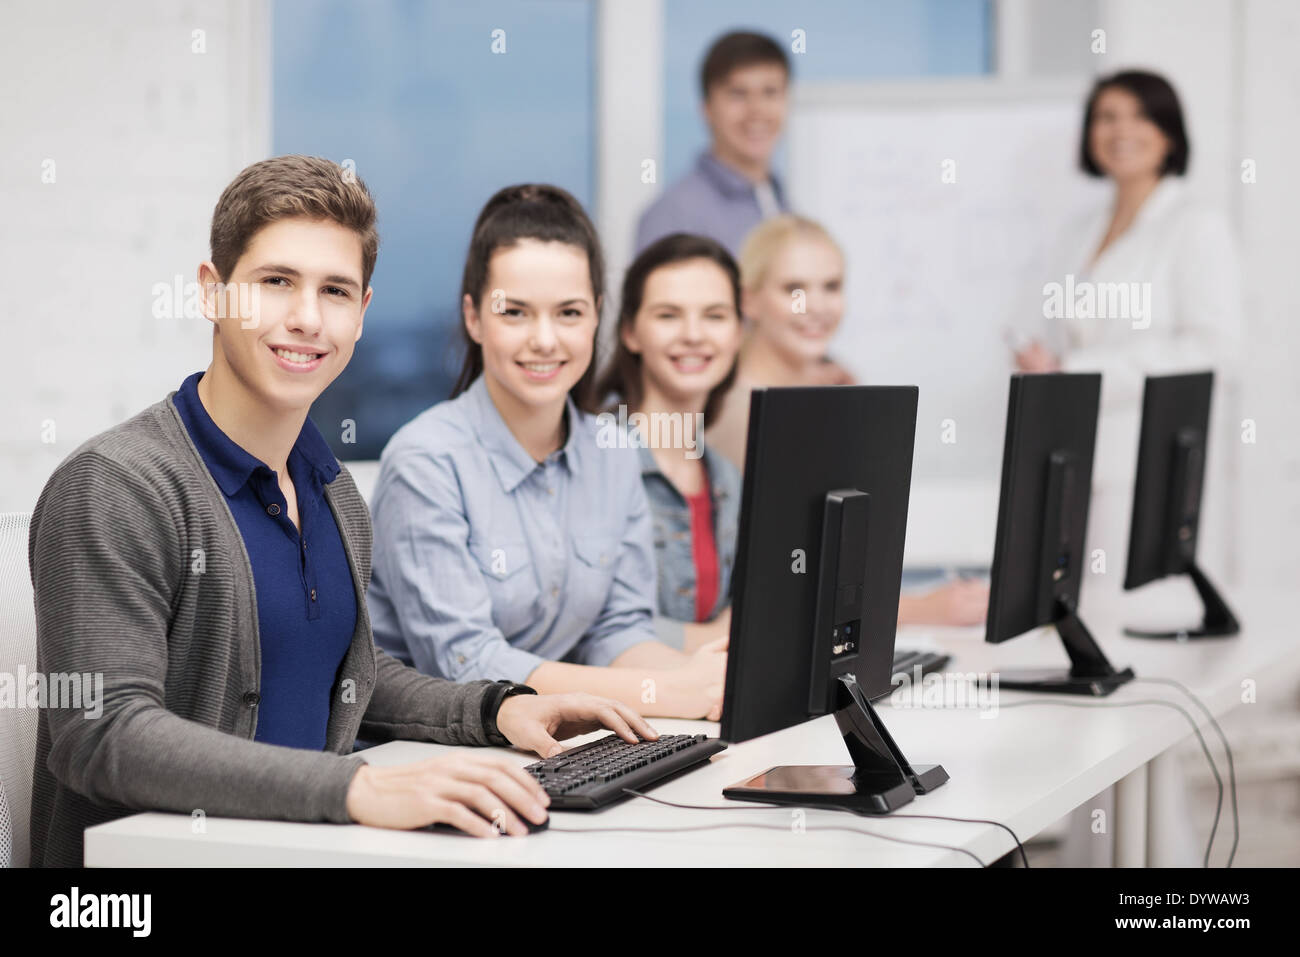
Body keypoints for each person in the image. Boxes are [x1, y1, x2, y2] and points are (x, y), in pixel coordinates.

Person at [26, 157, 657, 867]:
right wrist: (357, 786)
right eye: (276, 282)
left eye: (335, 291)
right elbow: (105, 731)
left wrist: (494, 709)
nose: (306, 317)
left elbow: (344, 672)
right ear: (211, 292)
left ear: (361, 314)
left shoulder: (333, 493)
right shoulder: (117, 484)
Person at [367, 185, 727, 721]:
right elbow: (467, 662)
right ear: (473, 318)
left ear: (597, 317)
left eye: (569, 313)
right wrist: (671, 694)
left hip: (555, 742)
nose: (545, 339)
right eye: (514, 312)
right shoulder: (426, 462)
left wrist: (702, 676)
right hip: (431, 751)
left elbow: (617, 630)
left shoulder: (614, 453)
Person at [1012, 69, 1243, 592]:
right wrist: (1042, 359)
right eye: (1106, 117)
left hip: (1145, 465)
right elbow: (1071, 335)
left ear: (1169, 134)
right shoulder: (1079, 230)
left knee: (1139, 621)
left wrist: (1076, 371)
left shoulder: (1195, 225)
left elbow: (1215, 352)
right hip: (1074, 460)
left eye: (1140, 117)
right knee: (1073, 613)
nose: (1121, 131)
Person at [707, 214, 989, 627]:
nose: (817, 306)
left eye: (831, 287)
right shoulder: (742, 412)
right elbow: (784, 583)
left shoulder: (825, 388)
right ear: (748, 300)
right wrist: (924, 609)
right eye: (794, 289)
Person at [597, 233, 745, 653]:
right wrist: (718, 637)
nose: (694, 335)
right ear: (630, 332)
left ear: (737, 333)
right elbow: (587, 630)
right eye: (669, 315)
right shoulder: (594, 460)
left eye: (715, 316)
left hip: (696, 712)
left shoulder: (727, 479)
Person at [635, 31, 791, 256]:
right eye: (738, 94)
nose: (757, 110)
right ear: (707, 108)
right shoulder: (672, 217)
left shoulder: (782, 202)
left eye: (770, 92)